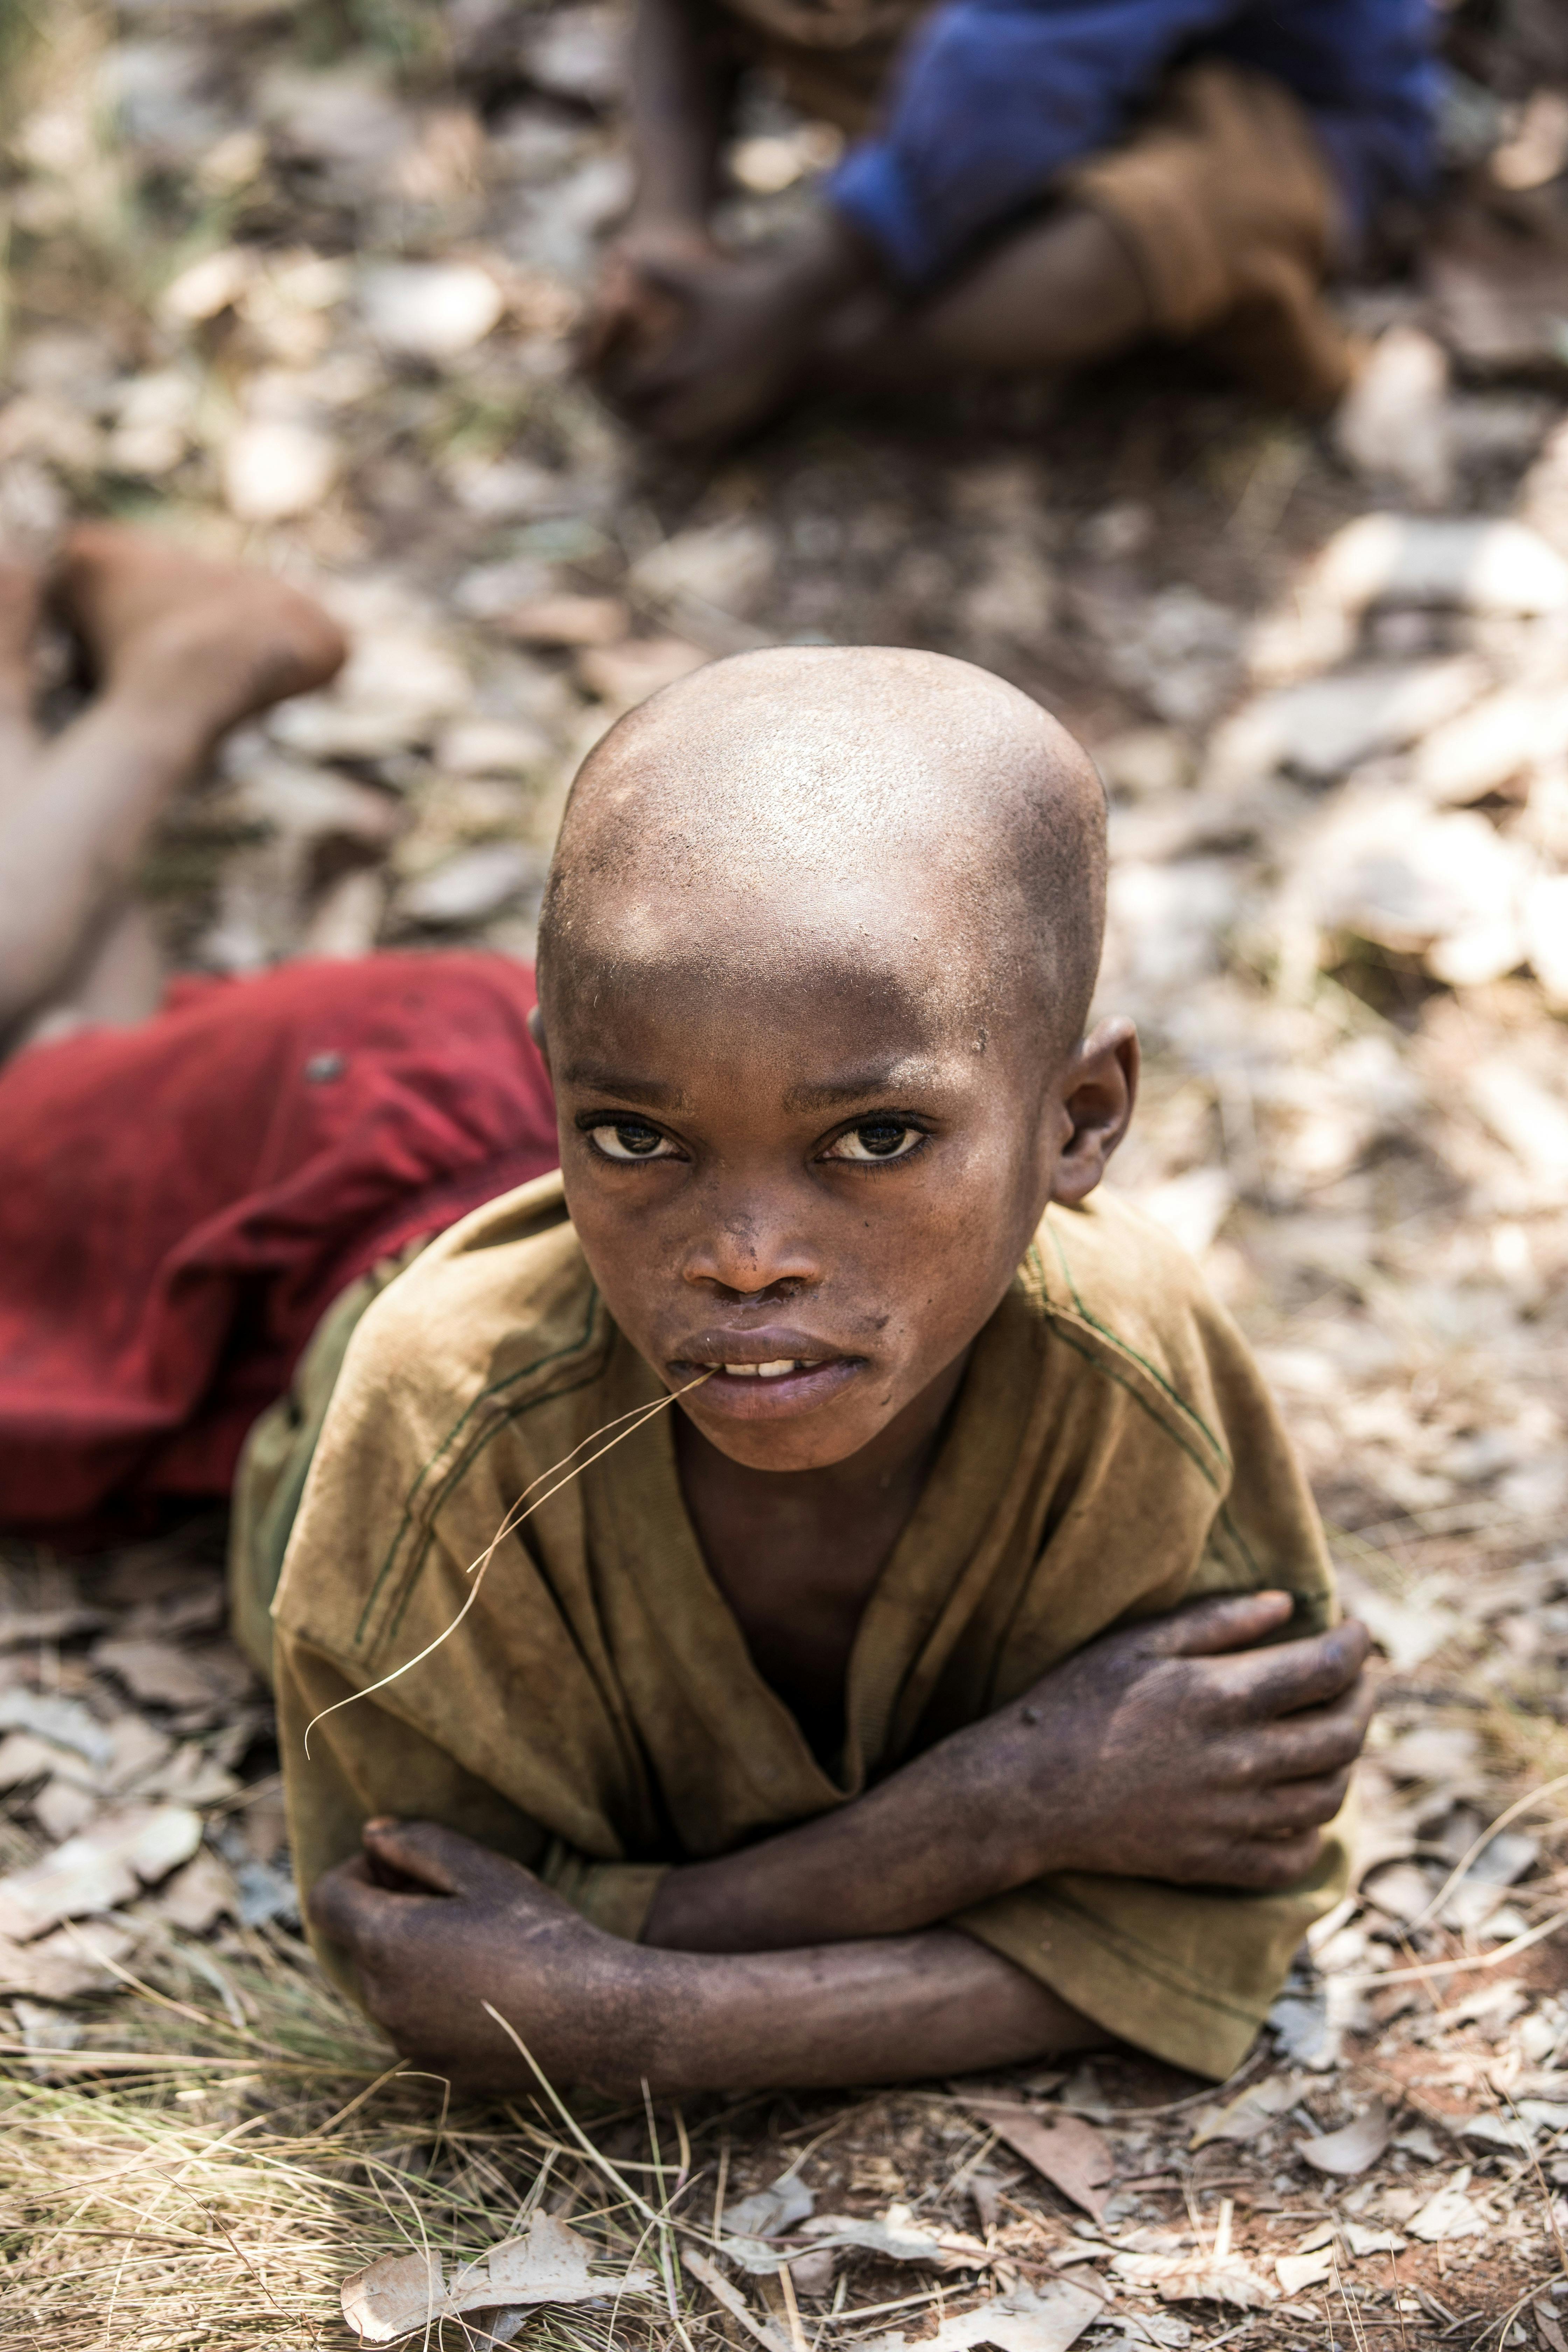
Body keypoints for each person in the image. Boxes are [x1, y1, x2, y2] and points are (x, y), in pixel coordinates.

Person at [281, 644, 1372, 2099]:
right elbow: (427, 1957)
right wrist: (990, 1818)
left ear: (1079, 1120)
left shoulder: (1121, 1380)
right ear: (557, 1094)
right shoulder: (441, 1411)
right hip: (312, 1222)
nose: (742, 1257)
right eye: (628, 1134)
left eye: (872, 1141)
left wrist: (624, 2004)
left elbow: (1230, 1903)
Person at [0, 526, 559, 1643]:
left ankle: (153, 689)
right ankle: (172, 688)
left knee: (75, 1084)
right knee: (47, 1110)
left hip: (470, 1118)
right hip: (418, 1147)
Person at [585, 0, 1438, 446]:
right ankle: (697, 293)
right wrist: (663, 232)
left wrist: (787, 304)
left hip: (1280, 109)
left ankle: (810, 362)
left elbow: (1016, 68)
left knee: (1126, 240)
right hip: (1003, 56)